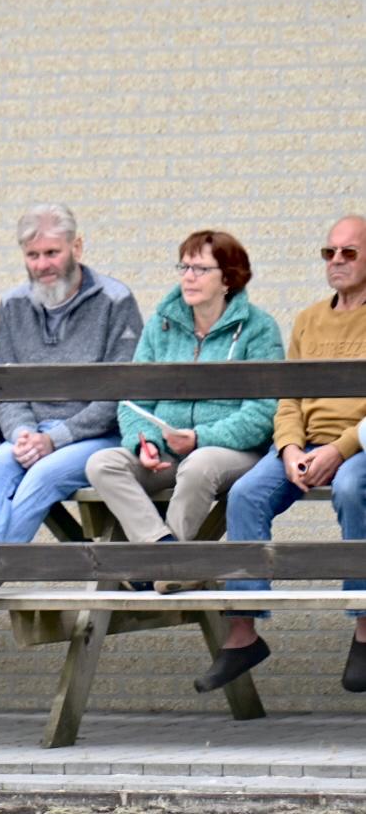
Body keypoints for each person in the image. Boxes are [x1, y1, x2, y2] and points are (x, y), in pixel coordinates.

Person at [202, 215, 366, 694]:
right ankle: (242, 633)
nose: (336, 261)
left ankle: (363, 622)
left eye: (348, 252)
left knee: (355, 486)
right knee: (247, 492)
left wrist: (339, 450)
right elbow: (288, 398)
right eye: (328, 252)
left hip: (357, 446)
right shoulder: (309, 319)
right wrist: (291, 448)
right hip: (306, 444)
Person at [0, 204, 142, 602]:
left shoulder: (115, 299)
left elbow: (119, 393)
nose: (42, 264)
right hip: (30, 435)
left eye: (52, 253)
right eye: (33, 255)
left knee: (43, 476)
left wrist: (54, 439)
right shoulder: (12, 304)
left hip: (96, 437)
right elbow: (6, 388)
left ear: (77, 246)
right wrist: (23, 434)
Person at [85, 232, 283, 593]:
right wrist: (142, 442)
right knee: (102, 463)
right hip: (166, 447)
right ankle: (164, 554)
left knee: (200, 464)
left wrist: (200, 438)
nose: (188, 276)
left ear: (229, 277)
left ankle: (160, 567)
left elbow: (264, 411)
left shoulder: (259, 328)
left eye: (200, 268)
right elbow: (133, 399)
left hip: (229, 451)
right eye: (184, 266)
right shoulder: (160, 324)